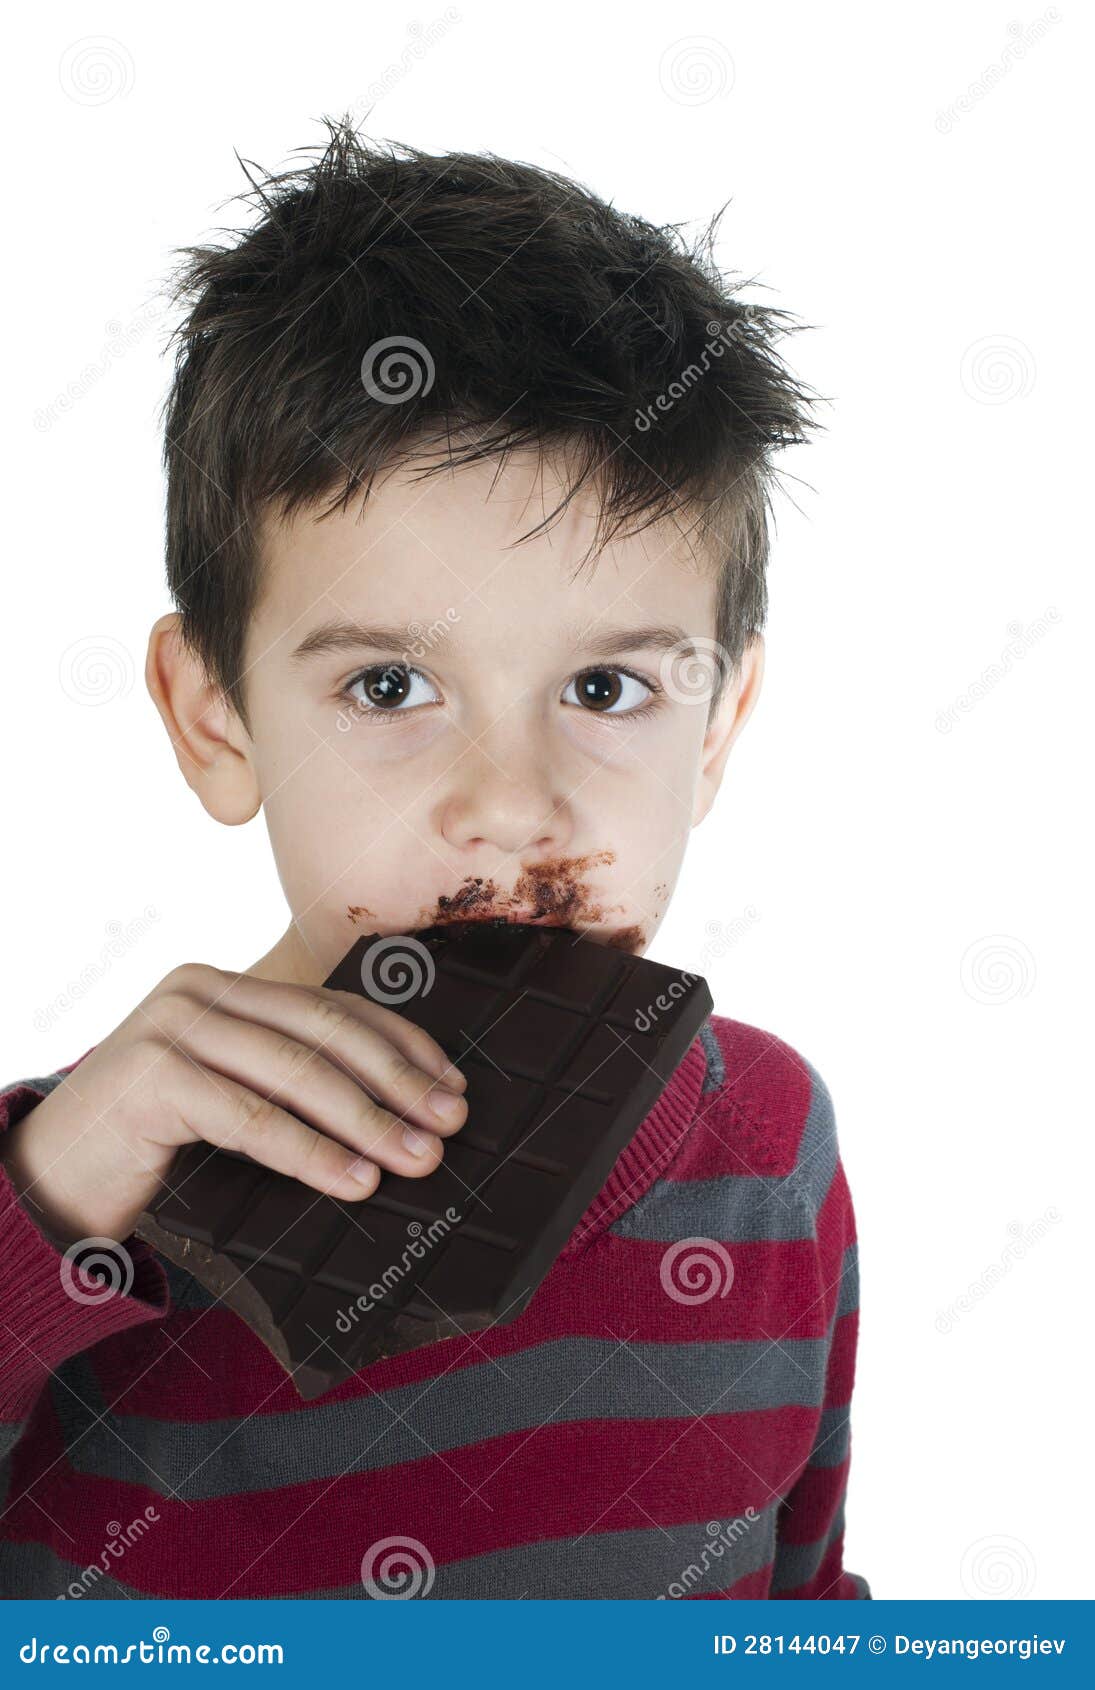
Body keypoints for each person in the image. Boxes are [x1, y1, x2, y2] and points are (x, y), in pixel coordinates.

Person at [0, 116, 869, 1600]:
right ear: (214, 719)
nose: (512, 809)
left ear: (718, 725)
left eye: (607, 688)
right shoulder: (80, 1192)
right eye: (391, 686)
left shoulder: (771, 1150)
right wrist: (47, 1207)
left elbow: (796, 1614)